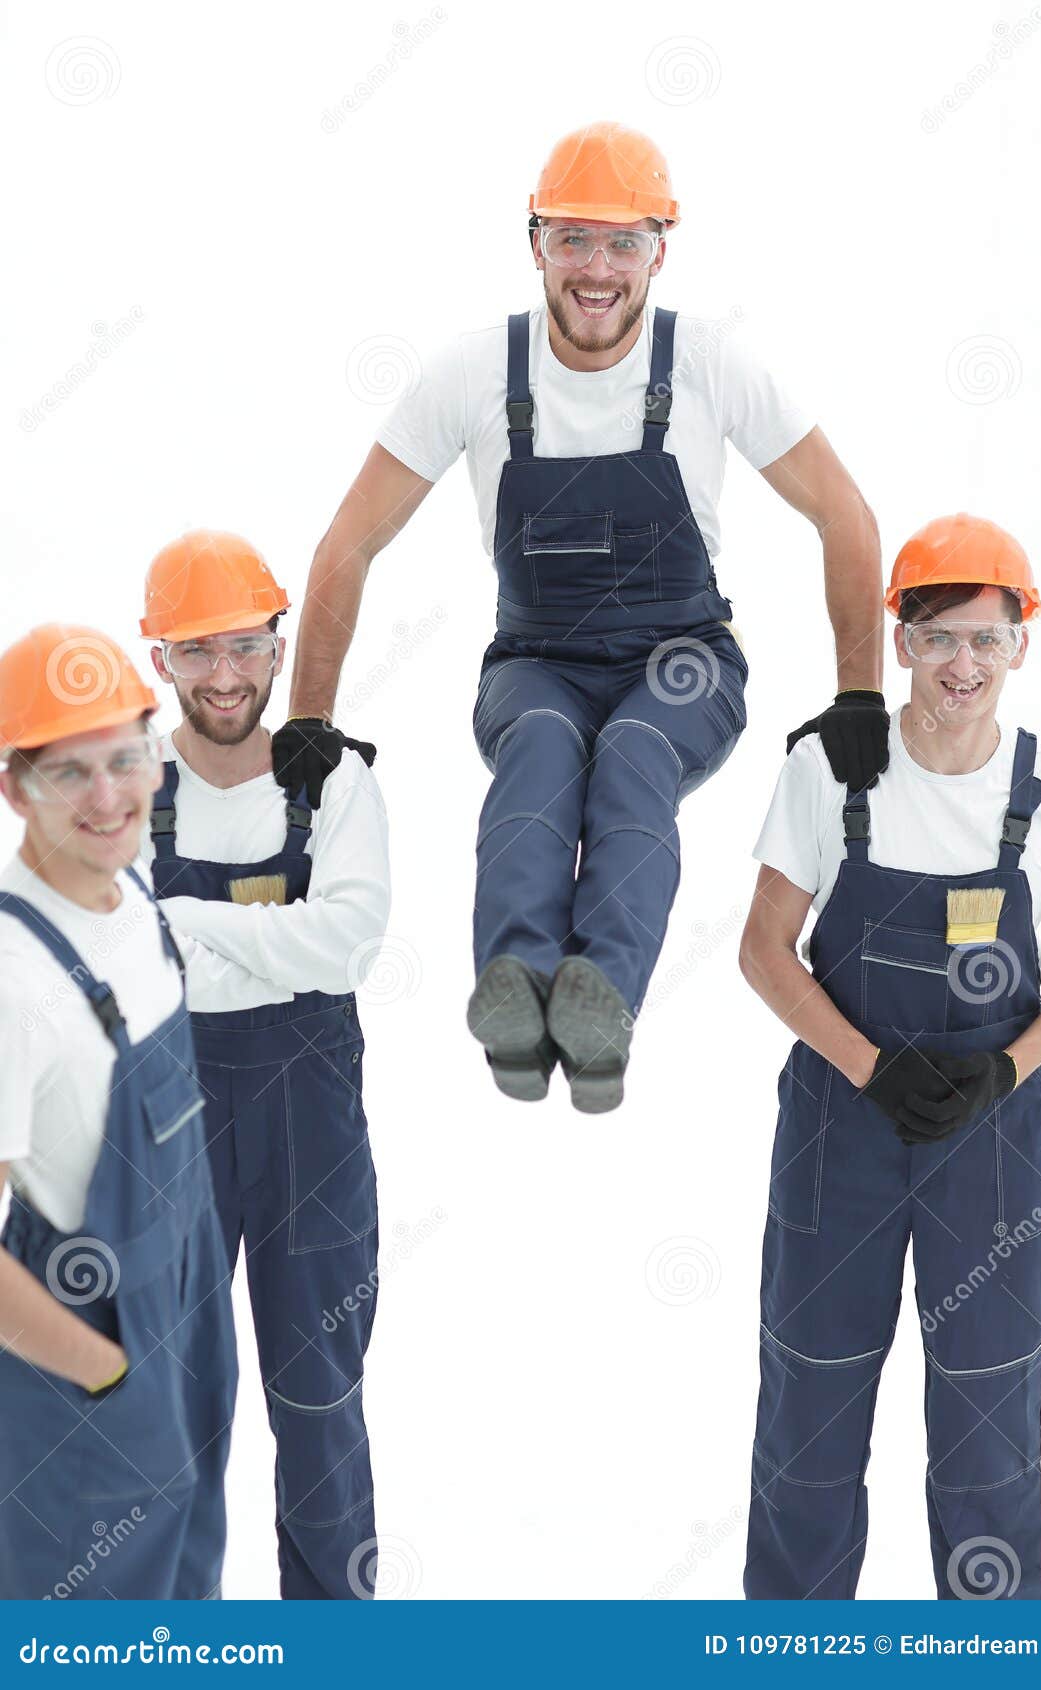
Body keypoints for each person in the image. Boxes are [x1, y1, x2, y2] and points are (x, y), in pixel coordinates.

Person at [270, 119, 884, 1113]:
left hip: (680, 658)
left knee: (636, 751)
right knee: (543, 748)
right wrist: (308, 715)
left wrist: (859, 694)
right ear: (534, 242)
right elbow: (349, 540)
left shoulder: (709, 363)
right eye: (573, 239)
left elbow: (842, 513)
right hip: (534, 660)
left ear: (658, 249)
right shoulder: (471, 375)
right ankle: (514, 992)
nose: (596, 269)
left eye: (622, 242)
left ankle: (598, 1001)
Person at [741, 514, 1041, 1600]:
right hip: (842, 1128)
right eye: (935, 639)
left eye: (983, 638)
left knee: (987, 1409)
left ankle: (989, 1655)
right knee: (810, 1403)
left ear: (1021, 642)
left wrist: (1006, 1069)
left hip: (993, 1140)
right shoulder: (830, 770)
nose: (959, 664)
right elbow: (760, 949)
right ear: (897, 644)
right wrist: (867, 1064)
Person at [138, 529, 390, 1600]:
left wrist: (182, 919)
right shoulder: (124, 782)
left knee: (318, 1390)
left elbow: (347, 944)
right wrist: (267, 935)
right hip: (163, 1117)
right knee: (164, 1398)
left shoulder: (336, 784)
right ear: (158, 659)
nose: (226, 674)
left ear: (279, 644)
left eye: (244, 644)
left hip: (308, 1118)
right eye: (198, 652)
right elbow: (102, 947)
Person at [0, 624, 237, 1599]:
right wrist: (104, 1375)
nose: (109, 799)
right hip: (85, 1344)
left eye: (125, 760)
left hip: (188, 1298)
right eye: (70, 775)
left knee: (187, 1583)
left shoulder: (135, 896)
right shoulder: (14, 981)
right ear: (15, 789)